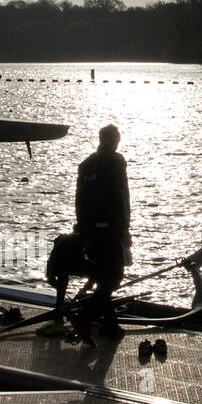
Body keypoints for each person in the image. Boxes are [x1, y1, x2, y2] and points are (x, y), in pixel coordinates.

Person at [71, 124, 132, 343]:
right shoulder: (116, 161)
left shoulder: (85, 164)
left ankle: (111, 325)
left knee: (102, 276)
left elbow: (79, 200)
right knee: (113, 278)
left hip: (90, 229)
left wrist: (83, 229)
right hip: (111, 228)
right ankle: (84, 317)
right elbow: (122, 196)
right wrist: (125, 228)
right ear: (115, 140)